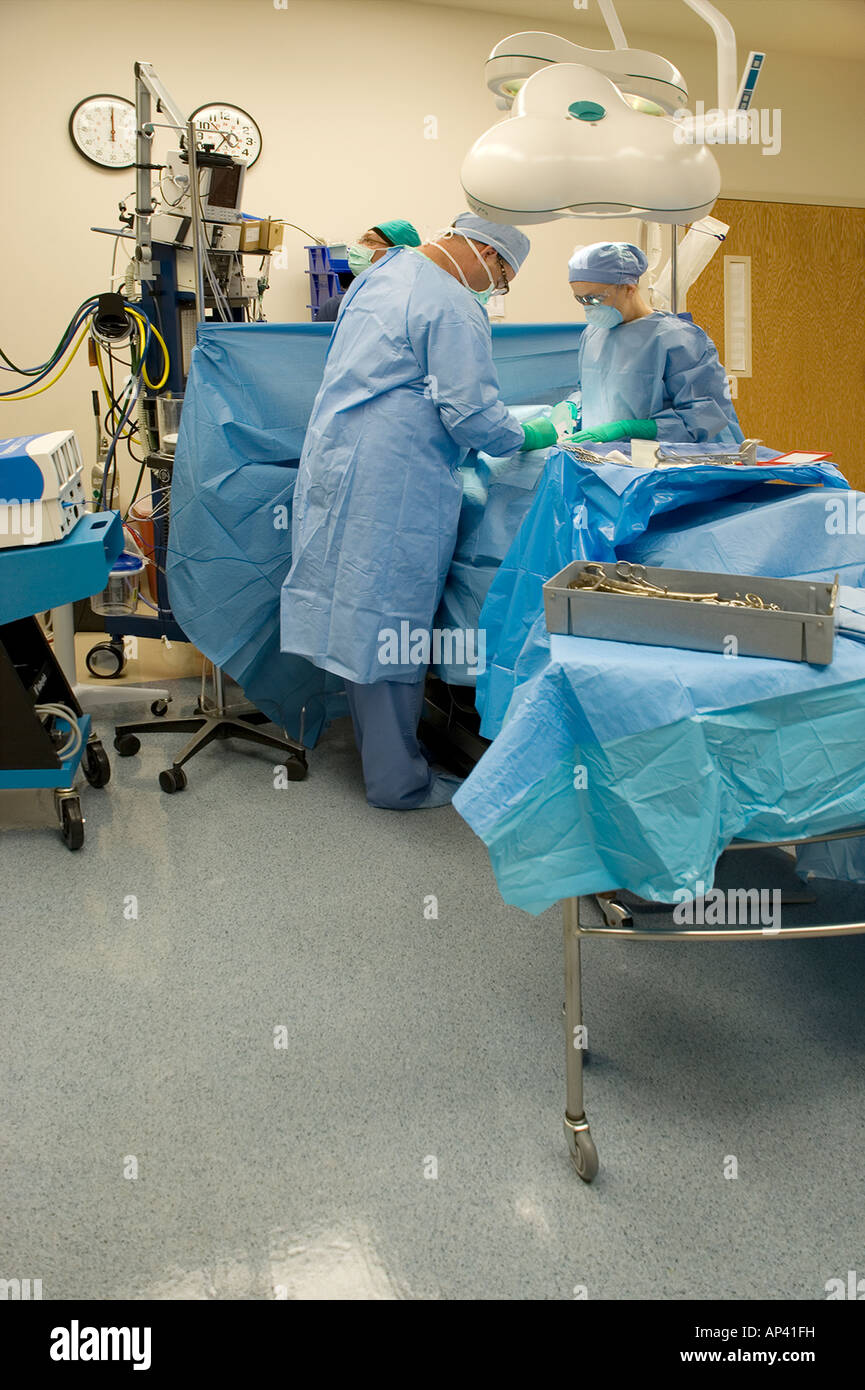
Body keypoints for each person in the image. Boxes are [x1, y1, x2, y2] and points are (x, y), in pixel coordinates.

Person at [281, 212, 533, 809]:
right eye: (501, 279)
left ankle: (381, 755)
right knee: (390, 616)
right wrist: (525, 435)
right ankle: (397, 781)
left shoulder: (383, 273)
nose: (493, 291)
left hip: (339, 457)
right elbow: (471, 412)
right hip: (393, 478)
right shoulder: (450, 301)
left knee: (355, 608)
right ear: (489, 253)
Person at [533, 241, 743, 448]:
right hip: (604, 459)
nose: (587, 307)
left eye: (595, 298)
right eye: (580, 300)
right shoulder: (593, 334)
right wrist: (571, 406)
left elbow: (705, 416)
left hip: (662, 465)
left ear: (628, 288)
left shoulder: (678, 339)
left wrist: (631, 429)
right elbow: (593, 389)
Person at [316, 219, 421, 321]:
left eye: (370, 241)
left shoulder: (416, 308)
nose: (358, 247)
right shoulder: (337, 307)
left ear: (398, 253)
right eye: (361, 241)